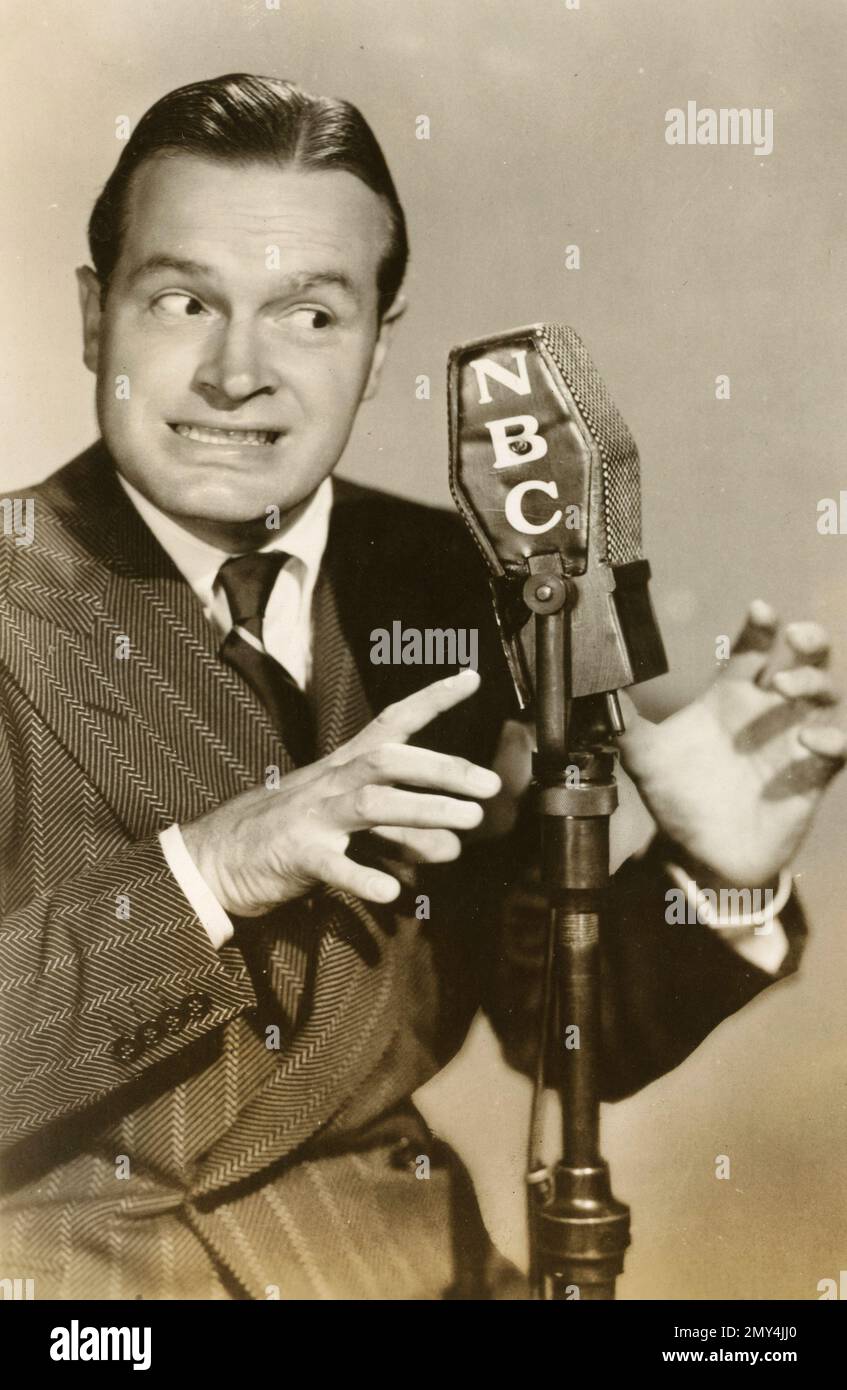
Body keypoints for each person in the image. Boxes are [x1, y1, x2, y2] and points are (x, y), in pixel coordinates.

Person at [0, 73, 842, 1301]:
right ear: (94, 317)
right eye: (183, 299)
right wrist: (214, 868)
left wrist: (719, 876)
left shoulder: (468, 584)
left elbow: (560, 1039)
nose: (239, 372)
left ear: (380, 343)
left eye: (309, 316)